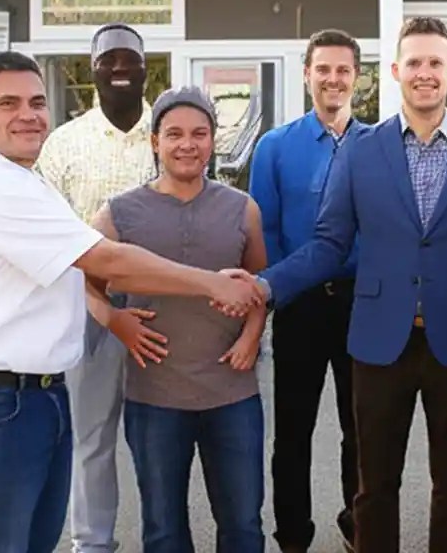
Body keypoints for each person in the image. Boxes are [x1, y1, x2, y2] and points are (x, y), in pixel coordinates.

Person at [0, 51, 263, 553]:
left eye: (37, 102)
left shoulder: (23, 180)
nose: (29, 115)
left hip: (28, 397)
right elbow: (105, 261)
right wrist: (211, 284)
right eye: (8, 103)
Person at [253, 16, 447, 552]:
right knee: (373, 487)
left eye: (435, 62)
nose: (425, 72)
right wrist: (265, 286)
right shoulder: (361, 150)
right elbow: (329, 243)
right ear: (396, 71)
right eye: (414, 62)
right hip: (378, 340)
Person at [99, 86, 269, 553]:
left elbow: (258, 286)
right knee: (163, 529)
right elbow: (81, 281)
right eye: (174, 134)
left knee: (243, 525)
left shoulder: (242, 209)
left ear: (213, 140)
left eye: (199, 133)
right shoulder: (118, 213)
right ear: (155, 142)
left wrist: (252, 336)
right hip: (154, 396)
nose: (187, 144)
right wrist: (115, 319)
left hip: (232, 392)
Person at [35, 23, 158, 553]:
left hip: (161, 310)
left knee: (159, 444)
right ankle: (92, 544)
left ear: (146, 67)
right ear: (92, 71)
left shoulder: (169, 133)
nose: (120, 67)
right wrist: (98, 304)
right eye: (109, 59)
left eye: (130, 58)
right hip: (88, 306)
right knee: (91, 438)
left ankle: (164, 539)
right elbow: (46, 235)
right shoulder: (63, 144)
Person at [249, 29, 364, 552]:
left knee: (361, 428)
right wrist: (279, 293)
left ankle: (358, 524)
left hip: (362, 305)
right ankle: (293, 534)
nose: (332, 79)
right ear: (306, 75)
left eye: (342, 70)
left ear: (356, 78)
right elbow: (265, 232)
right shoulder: (275, 147)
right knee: (293, 431)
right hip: (300, 305)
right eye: (323, 69)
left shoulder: (377, 145)